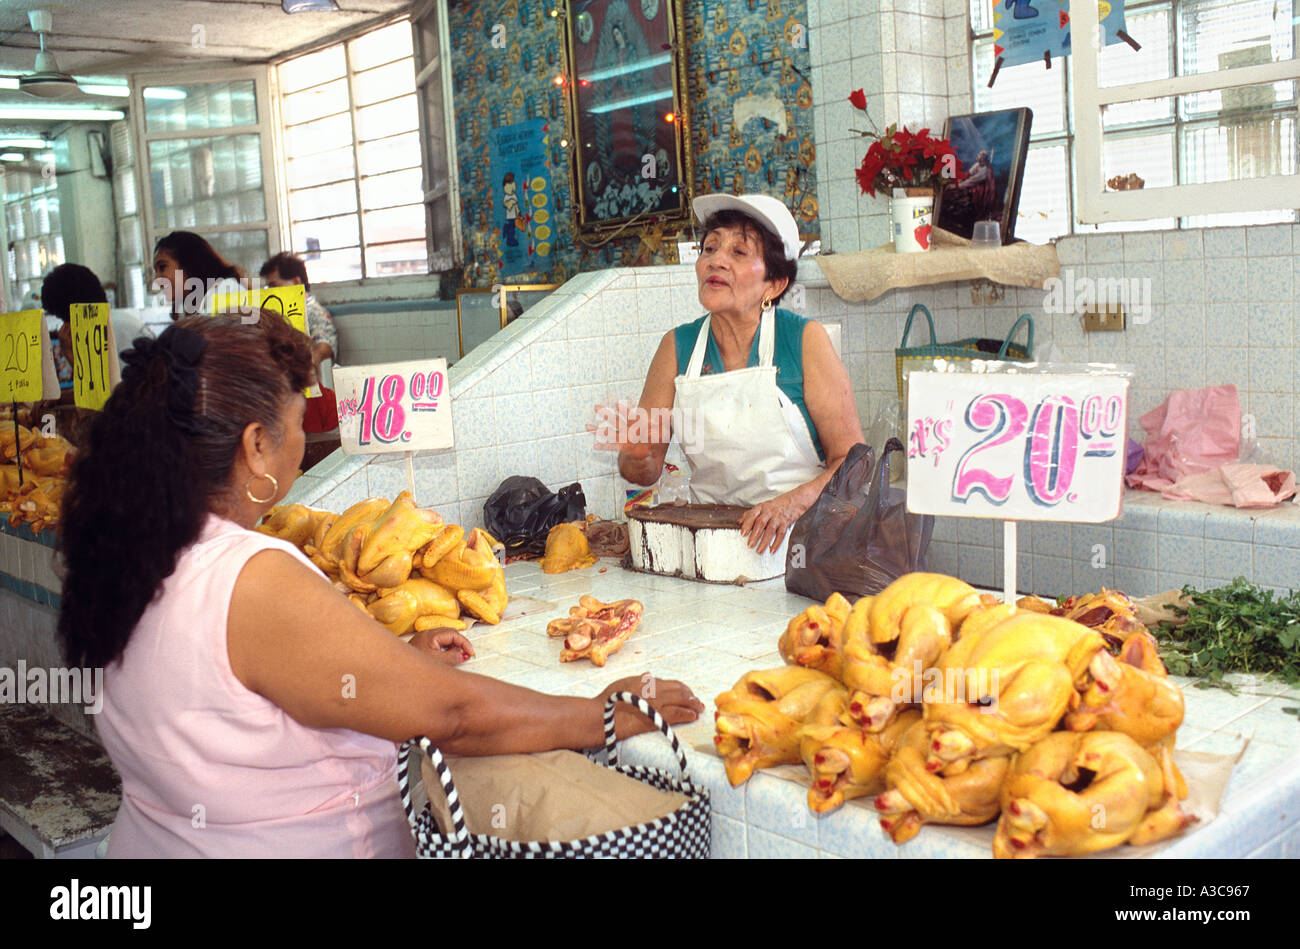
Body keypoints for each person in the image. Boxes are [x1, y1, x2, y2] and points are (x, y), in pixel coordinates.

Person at [57, 314, 702, 858]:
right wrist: (602, 716)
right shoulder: (250, 577)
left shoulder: (125, 552)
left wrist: (388, 666)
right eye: (297, 422)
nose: (304, 442)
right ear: (254, 445)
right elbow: (453, 714)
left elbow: (236, 703)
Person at [596, 194, 865, 554]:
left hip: (803, 547)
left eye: (738, 253)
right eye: (710, 248)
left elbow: (854, 464)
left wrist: (790, 505)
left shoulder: (804, 340)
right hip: (712, 547)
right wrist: (635, 451)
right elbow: (643, 472)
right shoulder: (677, 348)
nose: (716, 261)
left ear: (774, 284)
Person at [42, 263, 153, 377]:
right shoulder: (119, 320)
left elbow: (97, 390)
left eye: (63, 318)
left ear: (73, 312)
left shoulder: (106, 331)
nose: (65, 325)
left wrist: (70, 354)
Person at [258, 251, 339, 369]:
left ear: (296, 282)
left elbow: (324, 347)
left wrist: (302, 370)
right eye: (268, 288)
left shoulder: (313, 312)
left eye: (274, 286)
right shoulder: (278, 313)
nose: (270, 292)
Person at [152, 231, 245, 319]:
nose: (156, 279)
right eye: (156, 271)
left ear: (190, 264)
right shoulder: (186, 307)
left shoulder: (225, 289)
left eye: (162, 267)